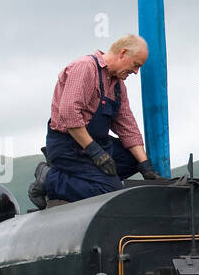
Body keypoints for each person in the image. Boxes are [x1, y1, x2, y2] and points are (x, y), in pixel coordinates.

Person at [28, 35, 159, 208]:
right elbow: (69, 115)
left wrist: (145, 166)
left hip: (98, 144)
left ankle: (89, 180)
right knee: (109, 192)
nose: (136, 72)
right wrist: (96, 153)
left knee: (133, 160)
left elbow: (127, 126)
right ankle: (50, 178)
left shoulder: (118, 85)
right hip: (69, 146)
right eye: (136, 65)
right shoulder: (85, 67)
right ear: (123, 53)